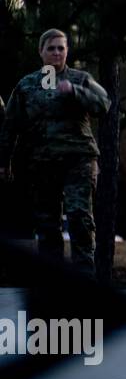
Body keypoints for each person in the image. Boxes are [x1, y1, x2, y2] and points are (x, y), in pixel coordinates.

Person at [0, 29, 111, 273]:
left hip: (78, 160)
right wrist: (4, 161)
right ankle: (53, 284)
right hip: (42, 164)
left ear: (67, 51)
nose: (57, 53)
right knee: (47, 226)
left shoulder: (80, 79)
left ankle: (84, 281)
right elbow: (10, 126)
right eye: (51, 48)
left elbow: (103, 104)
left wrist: (75, 92)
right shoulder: (26, 86)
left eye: (61, 48)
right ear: (41, 52)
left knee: (79, 219)